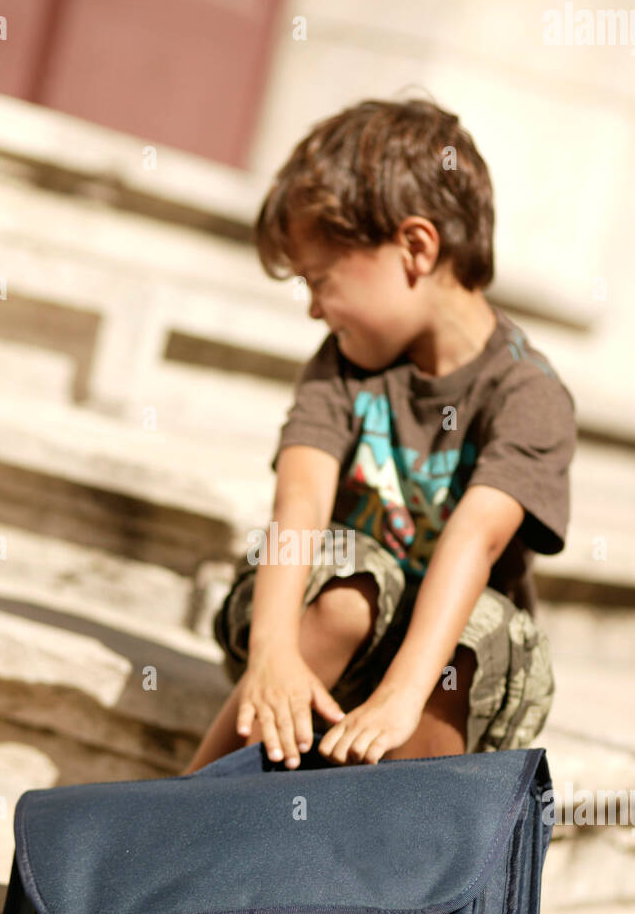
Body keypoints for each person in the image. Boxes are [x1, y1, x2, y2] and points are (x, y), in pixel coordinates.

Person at [182, 96, 576, 774]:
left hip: (431, 680)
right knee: (346, 583)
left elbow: (475, 538)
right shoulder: (340, 367)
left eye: (320, 280)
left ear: (415, 248)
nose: (312, 307)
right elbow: (298, 506)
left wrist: (400, 694)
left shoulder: (527, 395)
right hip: (313, 650)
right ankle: (190, 804)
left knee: (488, 631)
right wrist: (272, 650)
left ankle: (392, 852)